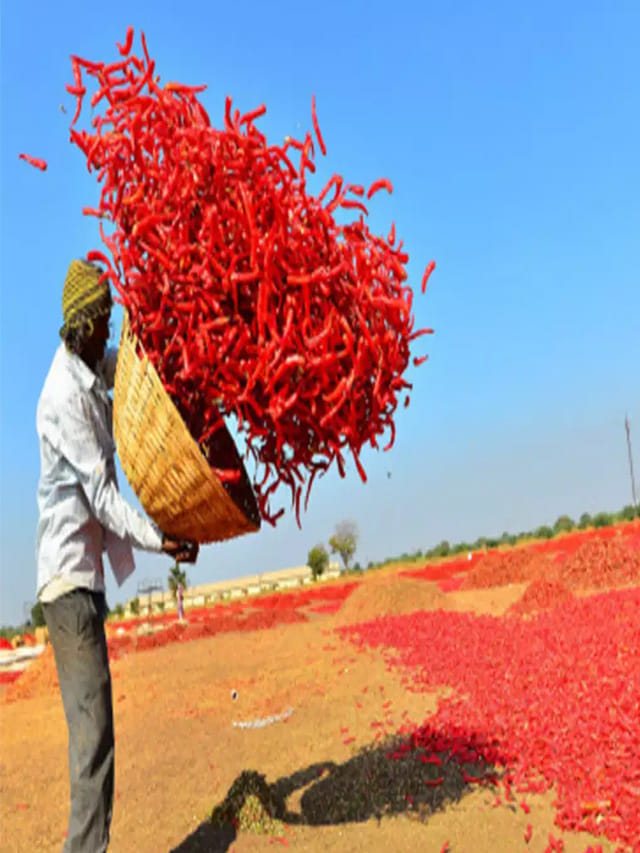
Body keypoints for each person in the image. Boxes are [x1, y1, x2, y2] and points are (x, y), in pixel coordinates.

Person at [36, 258, 199, 852]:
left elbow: (126, 365)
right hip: (68, 583)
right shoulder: (63, 398)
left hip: (85, 582)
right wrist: (161, 538)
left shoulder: (88, 367)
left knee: (97, 736)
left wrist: (161, 323)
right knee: (93, 740)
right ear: (82, 327)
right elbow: (103, 498)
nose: (109, 332)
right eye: (104, 323)